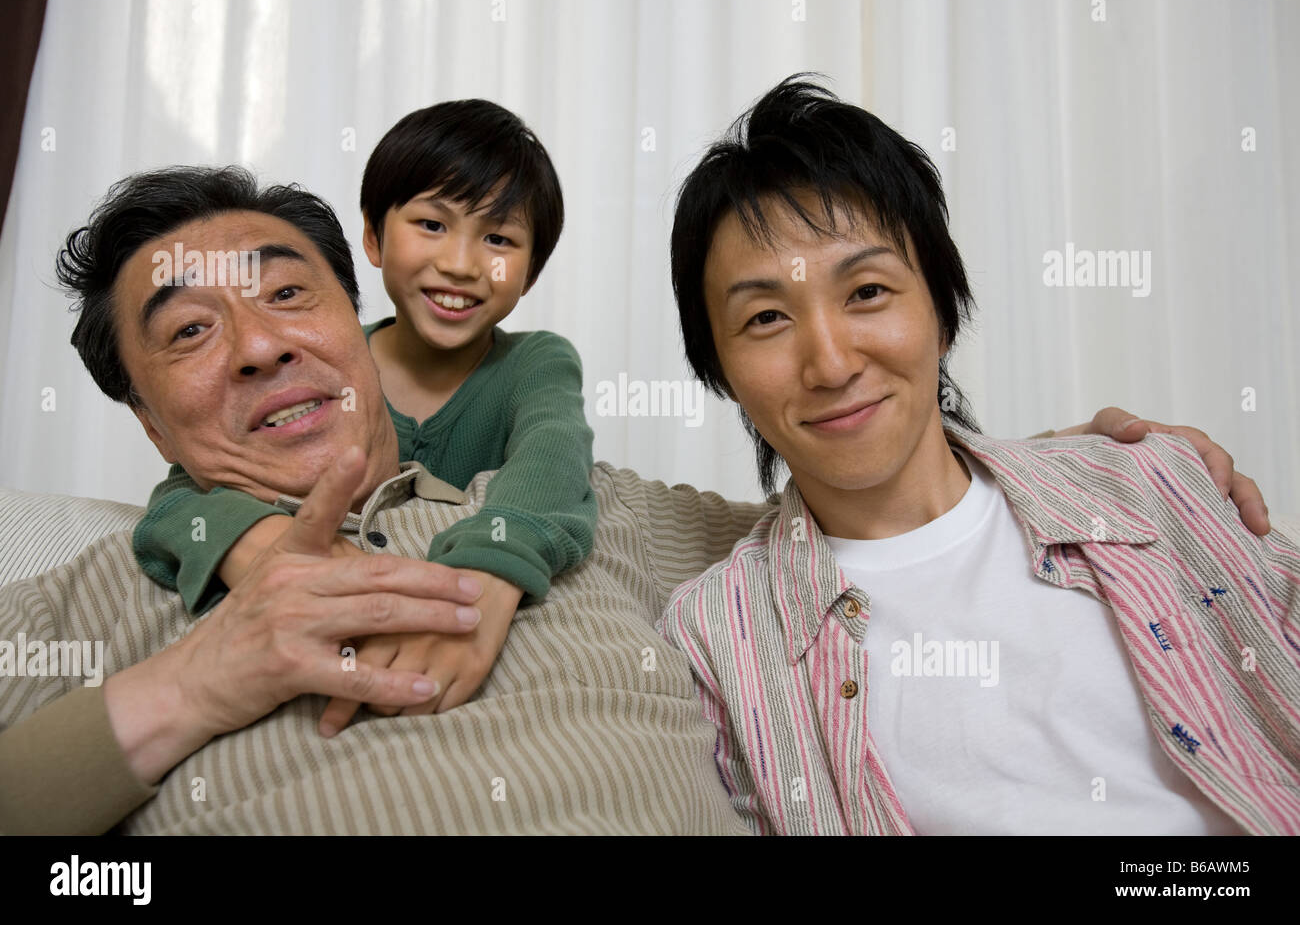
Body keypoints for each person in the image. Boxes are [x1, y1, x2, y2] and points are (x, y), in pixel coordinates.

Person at [0, 166, 1265, 834]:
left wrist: (1086, 460)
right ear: (144, 414)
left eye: (289, 295)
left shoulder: (582, 509)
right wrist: (203, 677)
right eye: (188, 331)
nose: (263, 345)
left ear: (361, 316)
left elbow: (864, 491)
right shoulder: (105, 589)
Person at [658, 76, 1299, 835]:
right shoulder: (717, 636)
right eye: (766, 317)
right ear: (721, 370)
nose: (829, 364)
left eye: (866, 292)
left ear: (942, 310)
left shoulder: (1140, 482)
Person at [130, 101, 596, 731]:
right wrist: (249, 542)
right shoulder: (330, 369)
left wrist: (491, 571)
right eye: (432, 224)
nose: (460, 262)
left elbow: (554, 458)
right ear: (373, 237)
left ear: (529, 274)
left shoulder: (537, 362)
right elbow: (178, 500)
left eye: (498, 239)